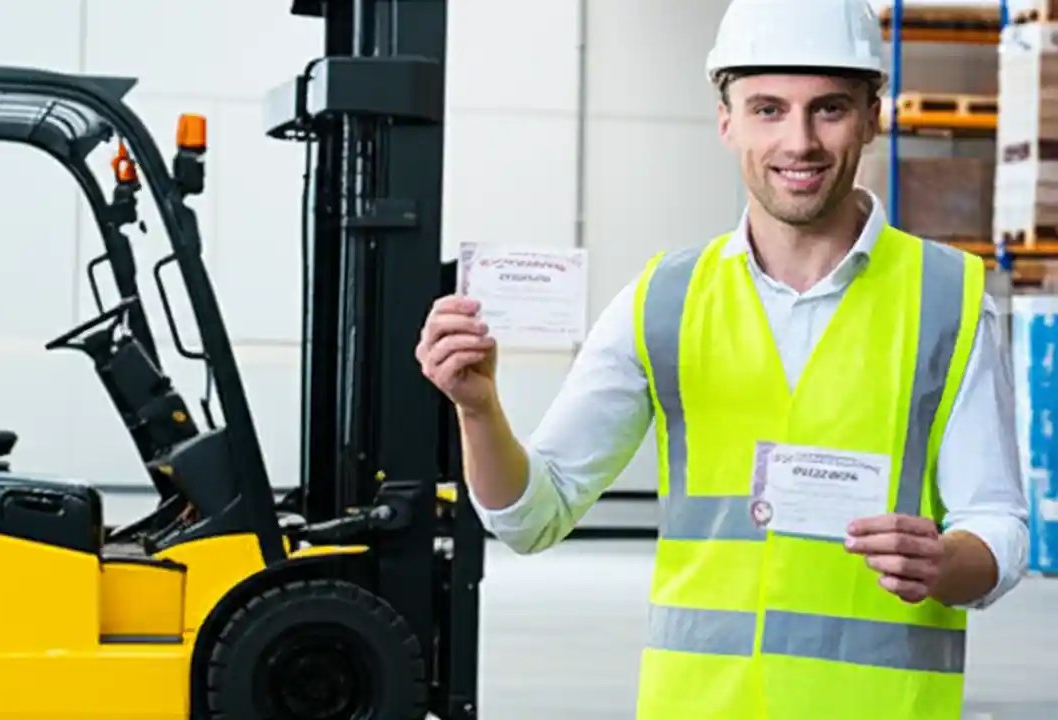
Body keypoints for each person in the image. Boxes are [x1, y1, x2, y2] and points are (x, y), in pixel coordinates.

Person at [413, 0, 1029, 717]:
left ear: (871, 116)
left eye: (827, 109)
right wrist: (479, 409)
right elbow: (532, 516)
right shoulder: (663, 301)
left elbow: (998, 525)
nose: (799, 142)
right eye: (768, 108)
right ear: (726, 121)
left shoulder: (948, 299)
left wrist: (947, 563)